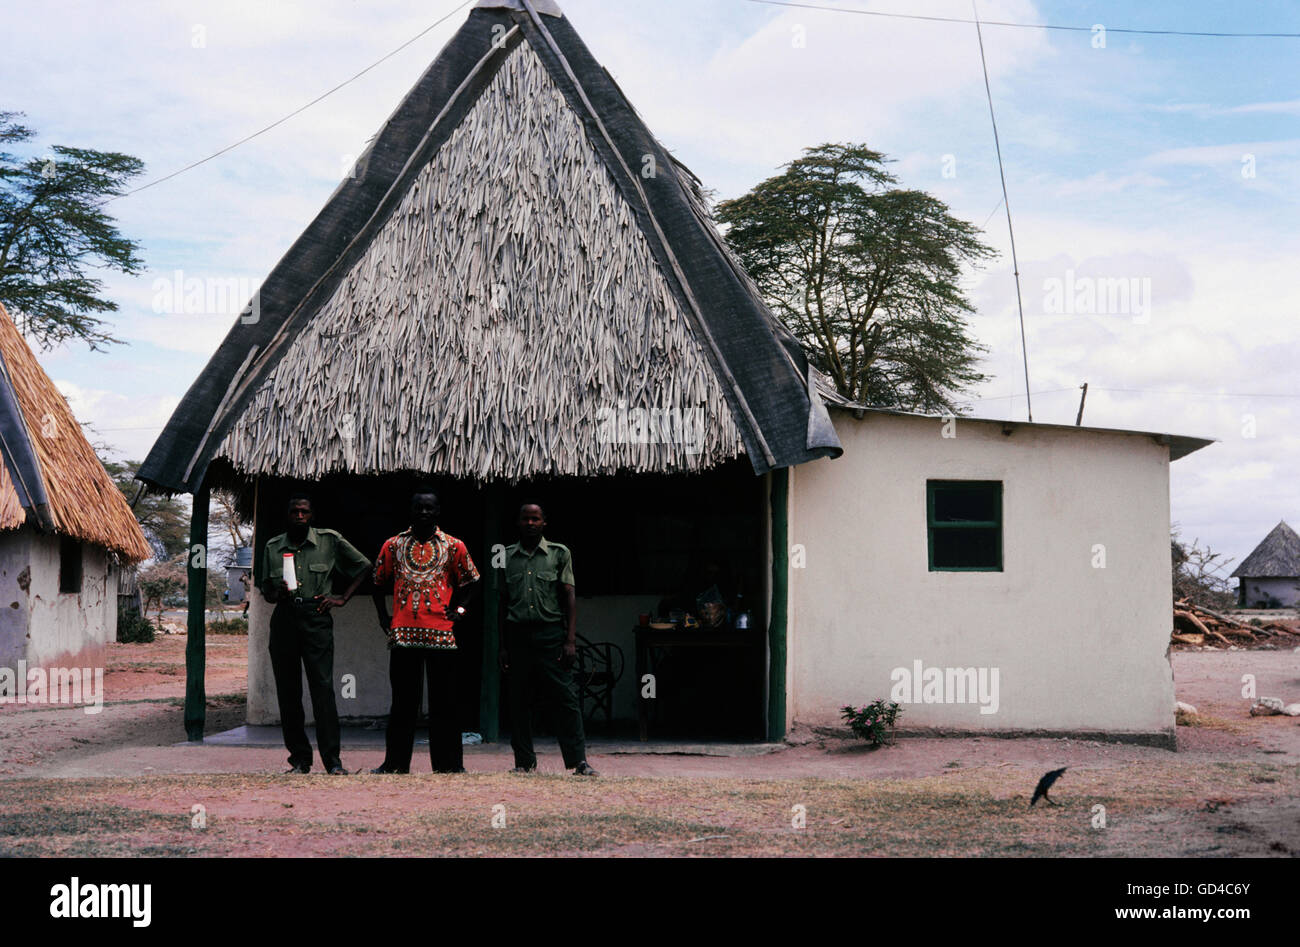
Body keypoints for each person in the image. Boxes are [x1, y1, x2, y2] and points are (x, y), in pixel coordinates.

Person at [370, 487, 480, 774]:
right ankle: (394, 765)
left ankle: (449, 766)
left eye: (429, 508)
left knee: (445, 704)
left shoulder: (454, 545)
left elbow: (472, 582)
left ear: (438, 511)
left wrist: (459, 611)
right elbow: (378, 582)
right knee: (402, 704)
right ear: (410, 510)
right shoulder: (393, 545)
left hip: (442, 636)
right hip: (403, 636)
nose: (423, 512)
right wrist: (384, 616)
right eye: (418, 507)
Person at [261, 494, 370, 775]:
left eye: (304, 512)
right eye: (294, 511)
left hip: (316, 617)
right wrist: (277, 593)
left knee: (322, 690)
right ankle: (300, 759)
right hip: (284, 617)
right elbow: (266, 591)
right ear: (287, 515)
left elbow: (364, 566)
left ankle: (333, 762)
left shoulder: (329, 540)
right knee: (288, 692)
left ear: (312, 515)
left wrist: (341, 598)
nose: (299, 516)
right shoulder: (273, 547)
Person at [499, 502, 598, 777]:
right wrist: (503, 646)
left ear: (544, 523)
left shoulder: (559, 553)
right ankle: (523, 763)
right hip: (518, 636)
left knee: (565, 698)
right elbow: (502, 603)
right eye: (525, 519)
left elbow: (569, 597)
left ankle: (579, 761)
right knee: (518, 701)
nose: (530, 523)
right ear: (518, 522)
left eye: (535, 519)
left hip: (551, 635)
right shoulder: (505, 556)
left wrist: (569, 640)